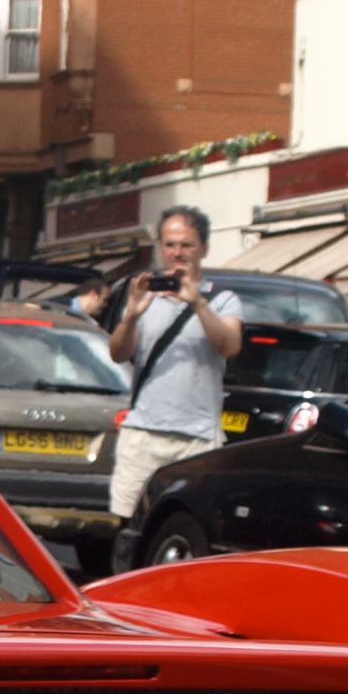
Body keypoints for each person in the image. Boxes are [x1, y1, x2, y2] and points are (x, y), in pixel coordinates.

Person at [106, 205, 243, 547]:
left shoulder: (222, 300)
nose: (177, 253)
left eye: (186, 245)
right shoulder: (143, 297)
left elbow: (230, 346)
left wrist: (197, 303)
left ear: (204, 249)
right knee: (129, 529)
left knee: (189, 530)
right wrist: (132, 316)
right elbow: (118, 353)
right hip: (143, 436)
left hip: (196, 438)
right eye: (169, 245)